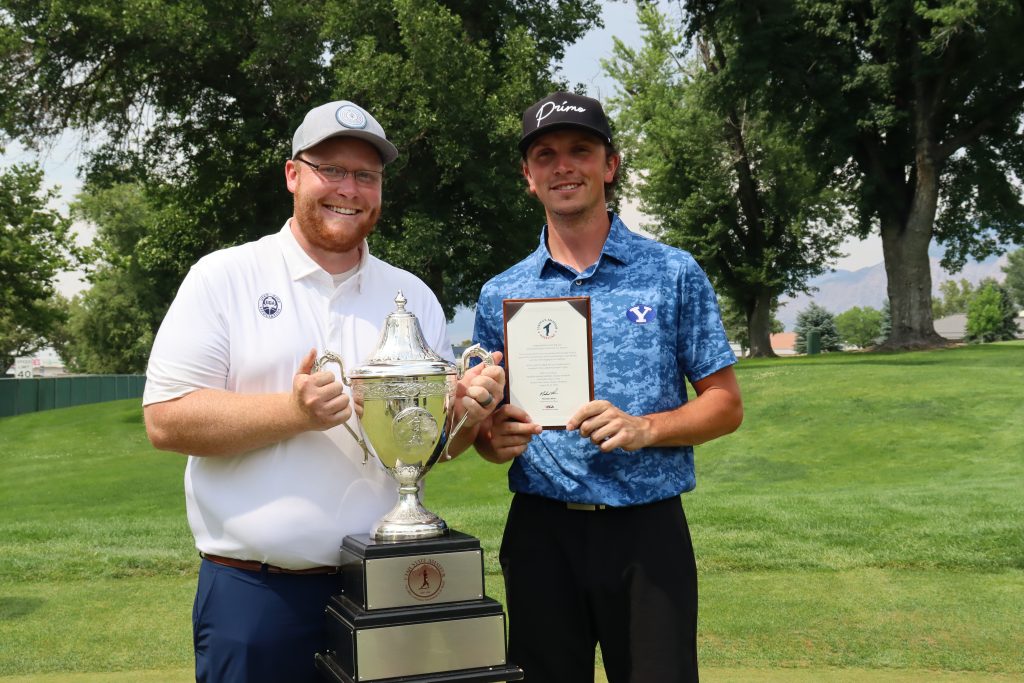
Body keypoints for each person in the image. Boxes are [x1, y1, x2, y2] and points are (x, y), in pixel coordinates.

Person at [143, 100, 505, 683]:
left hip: (389, 583)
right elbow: (166, 421)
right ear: (293, 174)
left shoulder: (410, 295)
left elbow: (430, 449)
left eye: (366, 175)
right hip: (256, 595)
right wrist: (292, 412)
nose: (349, 189)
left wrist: (463, 415)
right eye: (329, 169)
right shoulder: (224, 277)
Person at [472, 91, 744, 683]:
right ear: (528, 175)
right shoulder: (501, 293)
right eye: (545, 155)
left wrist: (647, 428)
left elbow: (725, 406)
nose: (563, 166)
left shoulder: (672, 271)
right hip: (542, 529)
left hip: (646, 530)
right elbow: (485, 430)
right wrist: (492, 439)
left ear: (610, 165)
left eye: (580, 150)